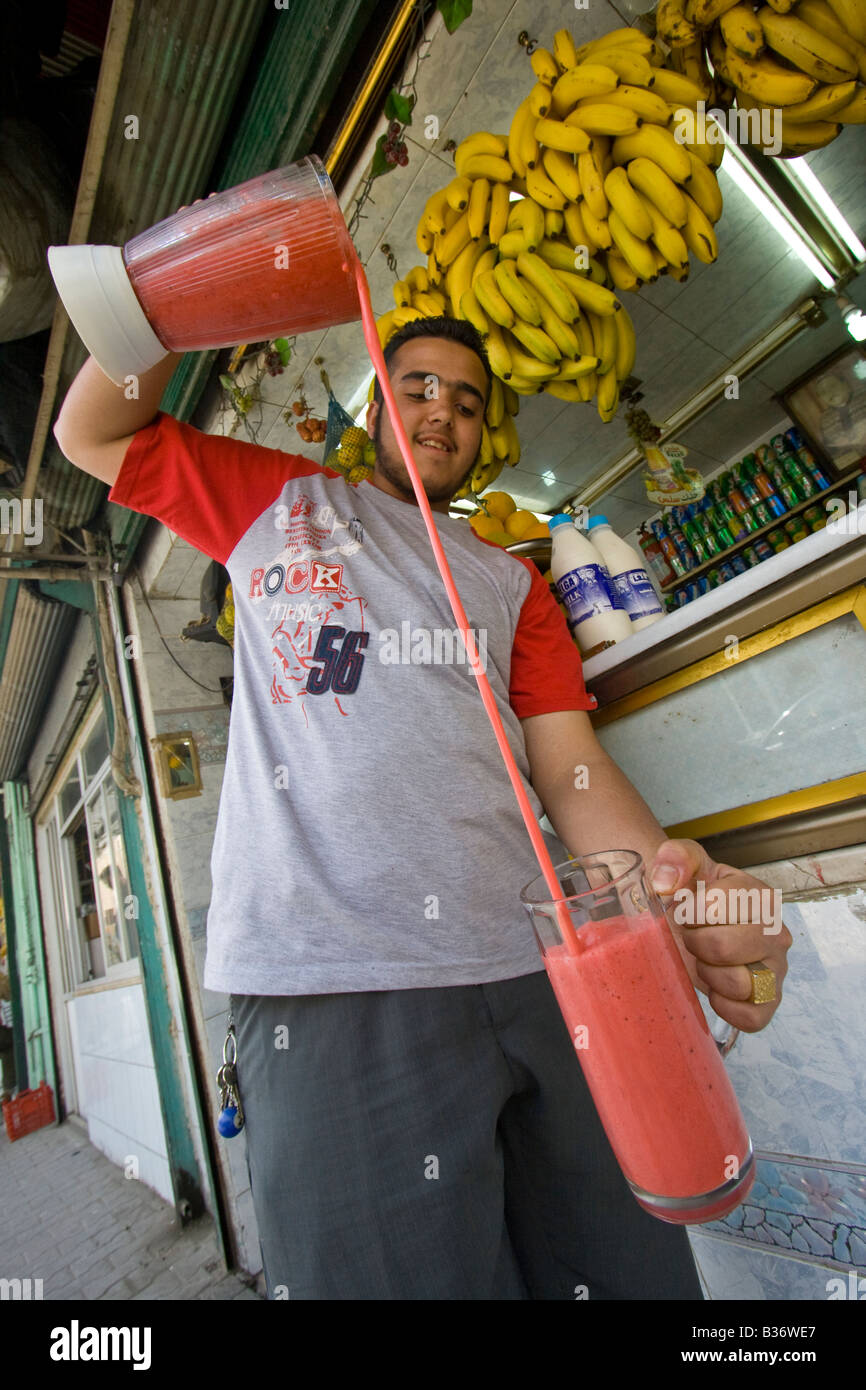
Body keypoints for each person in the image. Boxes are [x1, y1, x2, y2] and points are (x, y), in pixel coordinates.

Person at [53, 314, 792, 1300]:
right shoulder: (276, 502)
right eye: (419, 387)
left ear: (483, 434)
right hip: (333, 988)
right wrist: (161, 294)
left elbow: (567, 766)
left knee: (628, 1275)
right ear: (376, 407)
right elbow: (92, 433)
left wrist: (672, 882)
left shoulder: (513, 583)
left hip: (544, 974)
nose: (442, 409)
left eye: (467, 399)